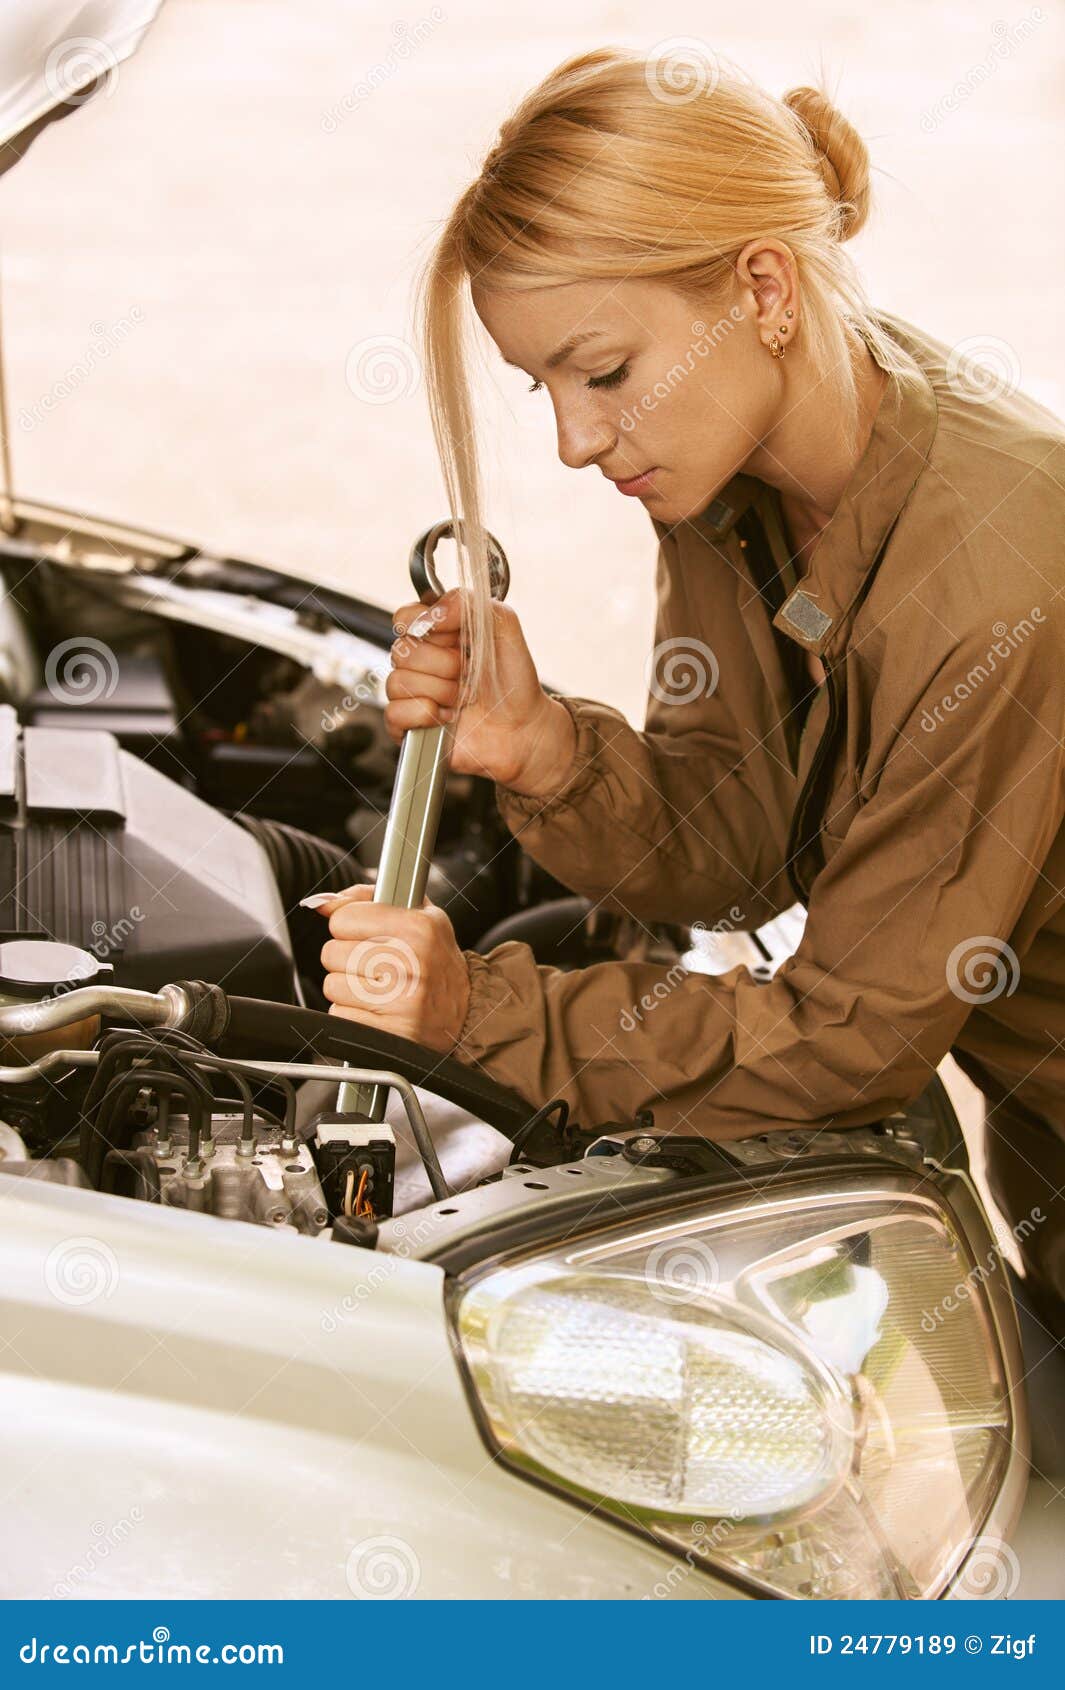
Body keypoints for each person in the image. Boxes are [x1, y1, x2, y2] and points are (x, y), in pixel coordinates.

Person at [314, 47, 1065, 1335]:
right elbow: (741, 853)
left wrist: (477, 1013)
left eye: (600, 372)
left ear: (762, 286)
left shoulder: (1002, 575)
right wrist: (546, 749)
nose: (573, 439)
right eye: (542, 384)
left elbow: (850, 1034)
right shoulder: (741, 474)